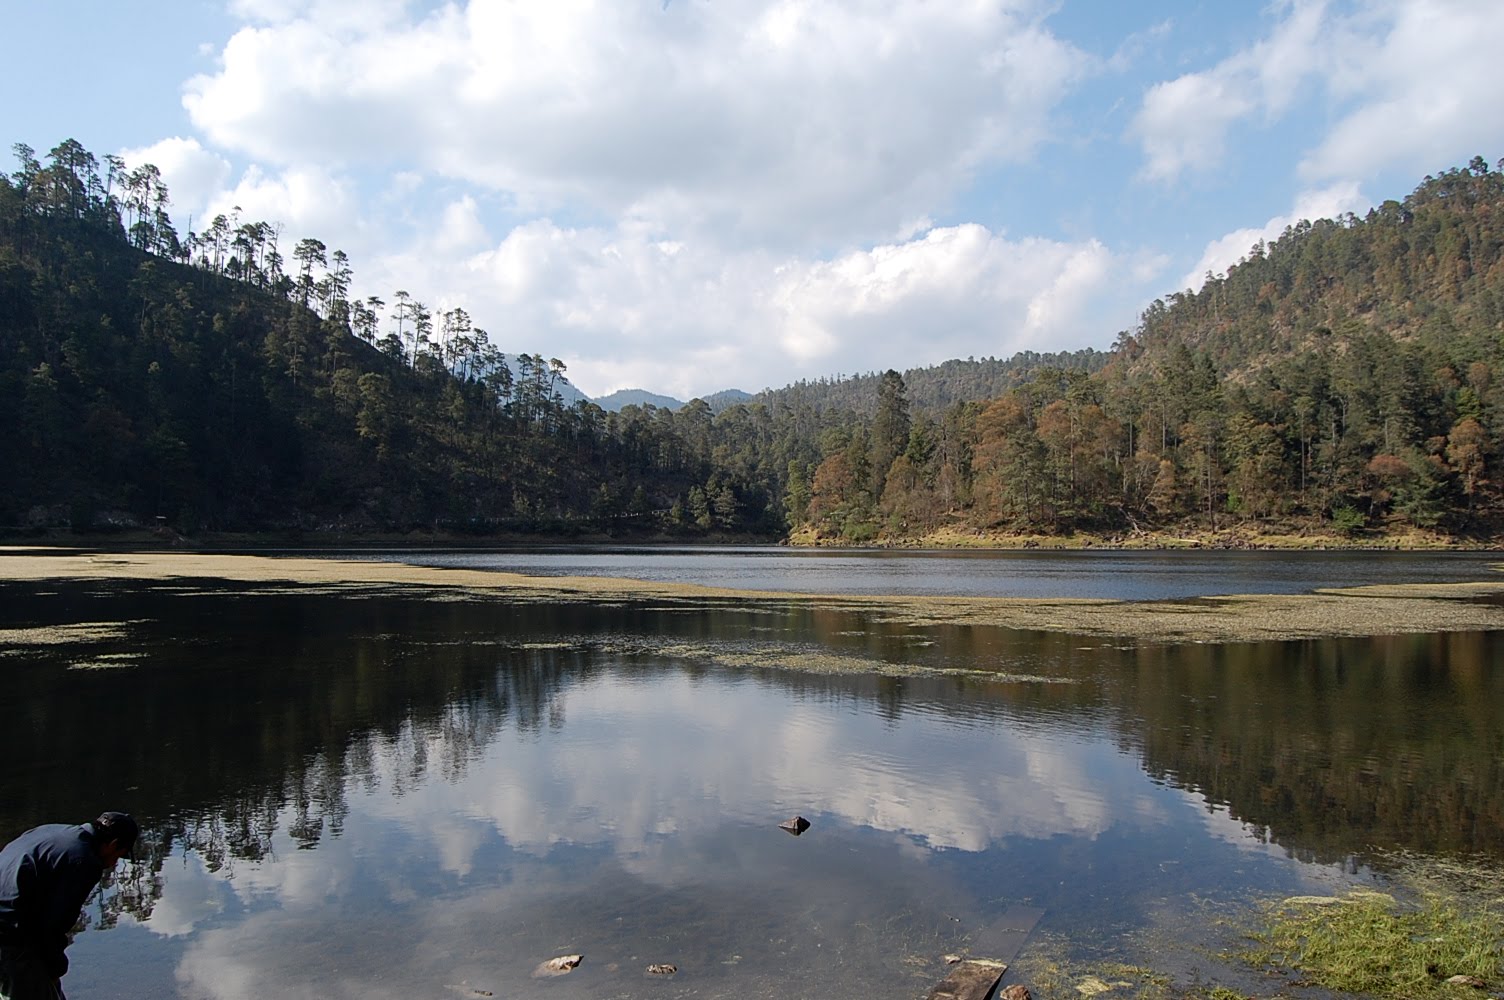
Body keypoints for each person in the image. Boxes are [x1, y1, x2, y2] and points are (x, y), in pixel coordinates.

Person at [0, 812, 138, 1000]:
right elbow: (54, 924)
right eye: (119, 856)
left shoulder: (51, 831)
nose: (114, 863)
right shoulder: (84, 860)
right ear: (113, 844)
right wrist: (56, 967)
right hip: (10, 935)